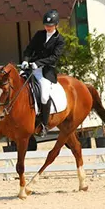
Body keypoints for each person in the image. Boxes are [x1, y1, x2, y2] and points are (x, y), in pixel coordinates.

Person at [21, 9, 65, 137]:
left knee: (44, 95)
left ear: (56, 25)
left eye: (50, 26)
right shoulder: (39, 34)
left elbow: (54, 57)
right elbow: (29, 49)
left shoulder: (60, 40)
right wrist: (25, 60)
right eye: (46, 25)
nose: (48, 27)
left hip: (46, 71)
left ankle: (44, 125)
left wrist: (39, 63)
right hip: (31, 67)